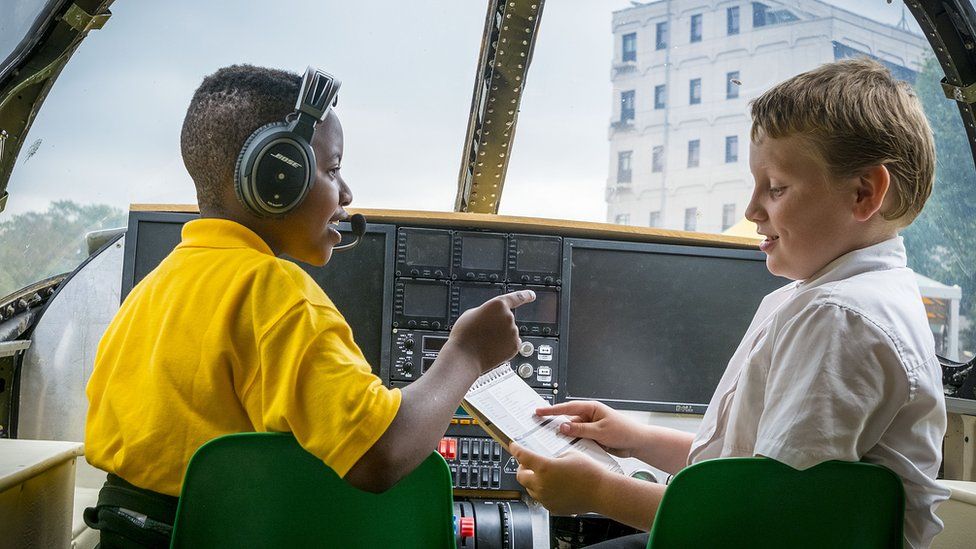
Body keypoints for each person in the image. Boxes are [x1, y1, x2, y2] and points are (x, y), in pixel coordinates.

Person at [83, 64, 534, 548]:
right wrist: (467, 355)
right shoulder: (274, 292)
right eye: (333, 169)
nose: (346, 193)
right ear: (278, 175)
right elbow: (380, 455)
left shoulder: (156, 287)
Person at [510, 57, 949, 549]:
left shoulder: (840, 318)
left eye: (776, 188)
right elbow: (741, 468)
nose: (751, 210)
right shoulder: (834, 298)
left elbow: (758, 520)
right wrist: (634, 438)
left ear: (864, 192)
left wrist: (596, 491)